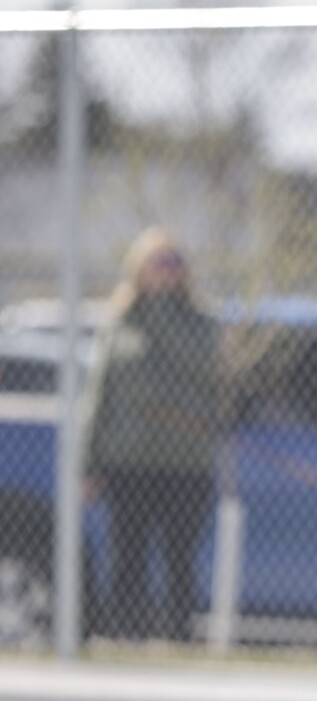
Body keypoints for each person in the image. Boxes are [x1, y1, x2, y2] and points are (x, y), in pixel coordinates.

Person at [84, 227, 221, 643]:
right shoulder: (119, 321)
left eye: (174, 263)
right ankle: (129, 637)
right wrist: (87, 462)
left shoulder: (202, 322)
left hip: (186, 462)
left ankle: (180, 638)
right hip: (129, 459)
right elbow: (99, 393)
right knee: (128, 557)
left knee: (180, 558)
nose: (166, 271)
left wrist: (162, 308)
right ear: (139, 268)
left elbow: (200, 370)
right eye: (158, 262)